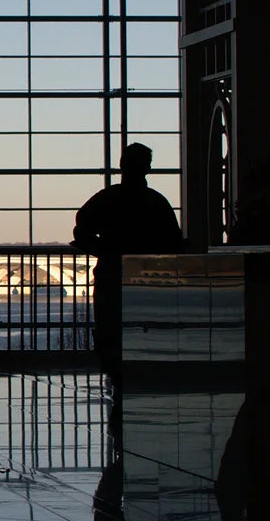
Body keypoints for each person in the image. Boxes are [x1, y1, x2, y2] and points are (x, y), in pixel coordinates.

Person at [71, 141, 185, 373]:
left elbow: (81, 230)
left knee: (111, 338)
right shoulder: (157, 203)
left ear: (122, 166)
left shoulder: (107, 198)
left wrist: (106, 250)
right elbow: (174, 243)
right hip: (148, 281)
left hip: (112, 277)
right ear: (148, 169)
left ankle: (116, 384)